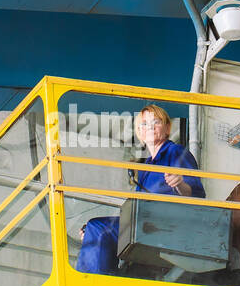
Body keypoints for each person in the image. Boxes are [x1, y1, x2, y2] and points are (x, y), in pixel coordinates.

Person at [76, 104, 205, 275]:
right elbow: (133, 209)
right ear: (139, 132)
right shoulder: (145, 167)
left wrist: (179, 183)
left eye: (156, 122)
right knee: (94, 230)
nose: (149, 127)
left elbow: (196, 195)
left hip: (166, 225)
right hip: (144, 225)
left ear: (167, 128)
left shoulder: (176, 152)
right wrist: (91, 235)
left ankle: (94, 285)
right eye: (144, 124)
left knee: (98, 228)